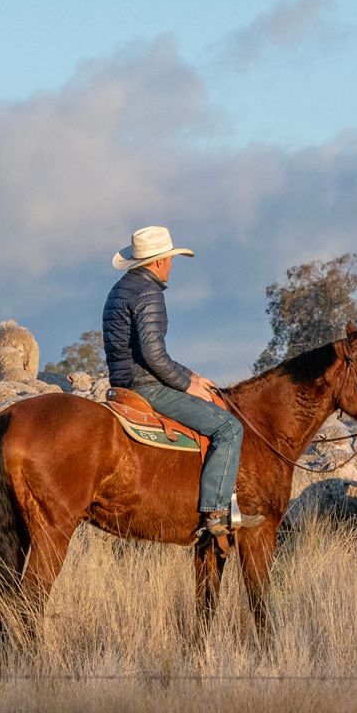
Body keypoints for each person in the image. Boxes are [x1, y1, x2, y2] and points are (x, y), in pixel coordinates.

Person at [101, 224, 245, 547]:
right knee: (230, 429)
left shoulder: (120, 289)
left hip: (121, 383)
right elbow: (153, 354)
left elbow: (141, 351)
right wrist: (187, 384)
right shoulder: (148, 292)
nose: (170, 265)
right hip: (147, 388)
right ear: (157, 262)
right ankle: (214, 513)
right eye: (169, 259)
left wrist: (190, 375)